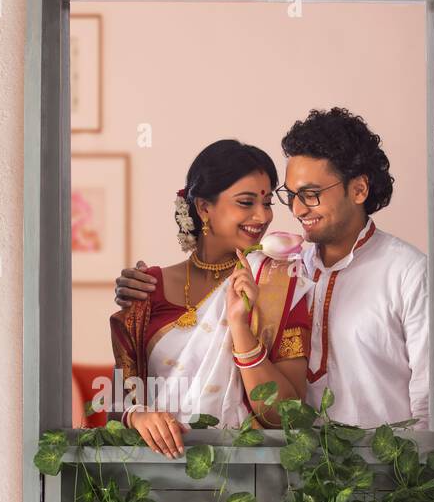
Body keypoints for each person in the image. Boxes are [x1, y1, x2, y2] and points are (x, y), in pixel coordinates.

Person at [116, 108, 429, 431]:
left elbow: (428, 400)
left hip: (383, 472)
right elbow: (123, 393)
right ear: (203, 208)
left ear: (359, 190)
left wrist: (413, 476)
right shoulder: (283, 270)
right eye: (290, 196)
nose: (295, 210)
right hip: (295, 473)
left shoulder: (407, 274)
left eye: (310, 195)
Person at [108, 139, 312, 458]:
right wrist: (136, 415)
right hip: (155, 474)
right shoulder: (147, 288)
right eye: (246, 202)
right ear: (204, 207)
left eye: (268, 202)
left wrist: (240, 328)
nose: (263, 216)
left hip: (251, 472)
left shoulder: (282, 285)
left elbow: (288, 415)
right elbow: (116, 401)